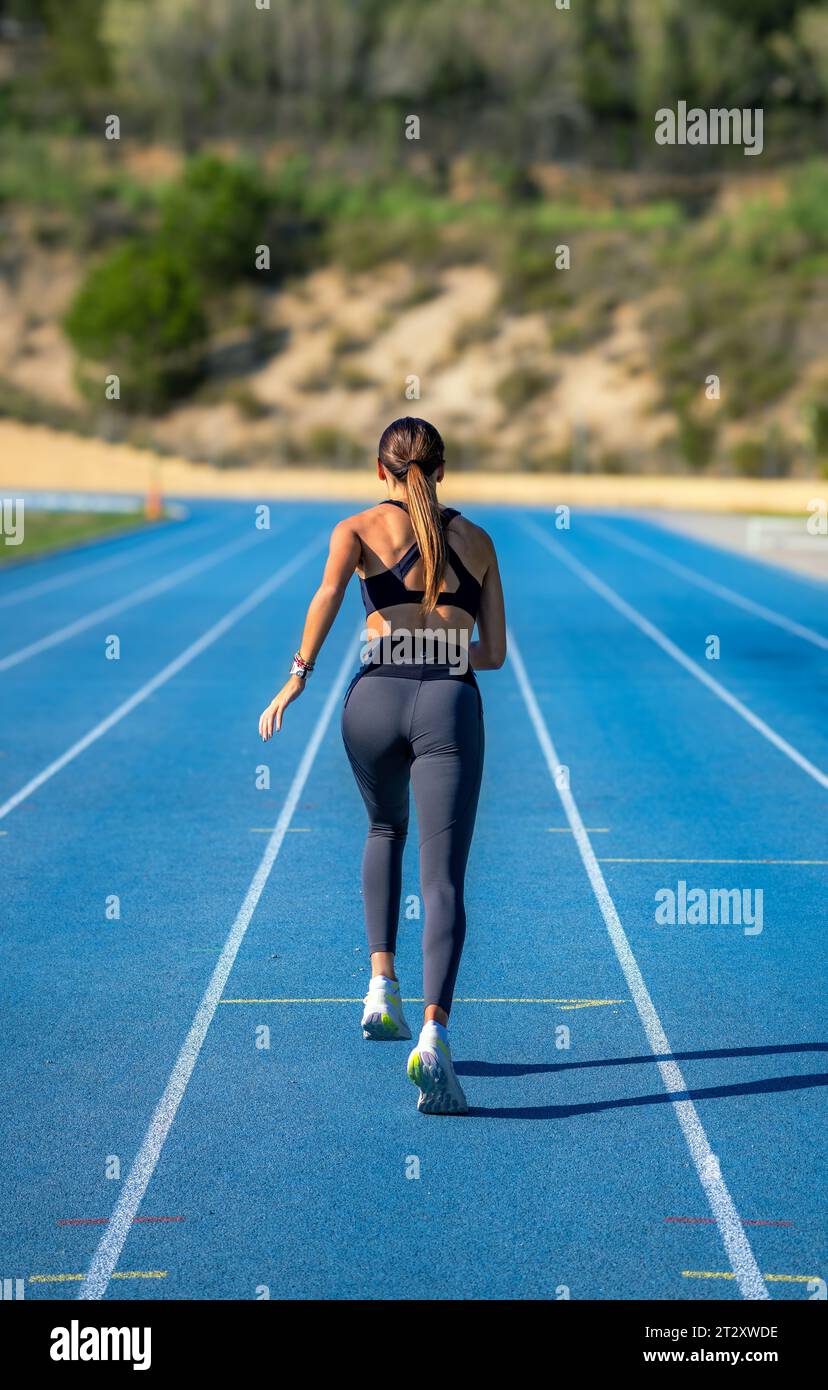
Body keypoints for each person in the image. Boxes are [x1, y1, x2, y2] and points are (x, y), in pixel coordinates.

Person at [259, 417, 506, 1113]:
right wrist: (442, 654)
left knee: (381, 831)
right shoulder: (480, 543)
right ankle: (432, 1038)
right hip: (448, 705)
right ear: (443, 471)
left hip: (370, 702)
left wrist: (297, 677)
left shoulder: (356, 529)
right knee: (444, 878)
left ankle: (380, 988)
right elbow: (494, 654)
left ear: (380, 472)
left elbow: (328, 599)